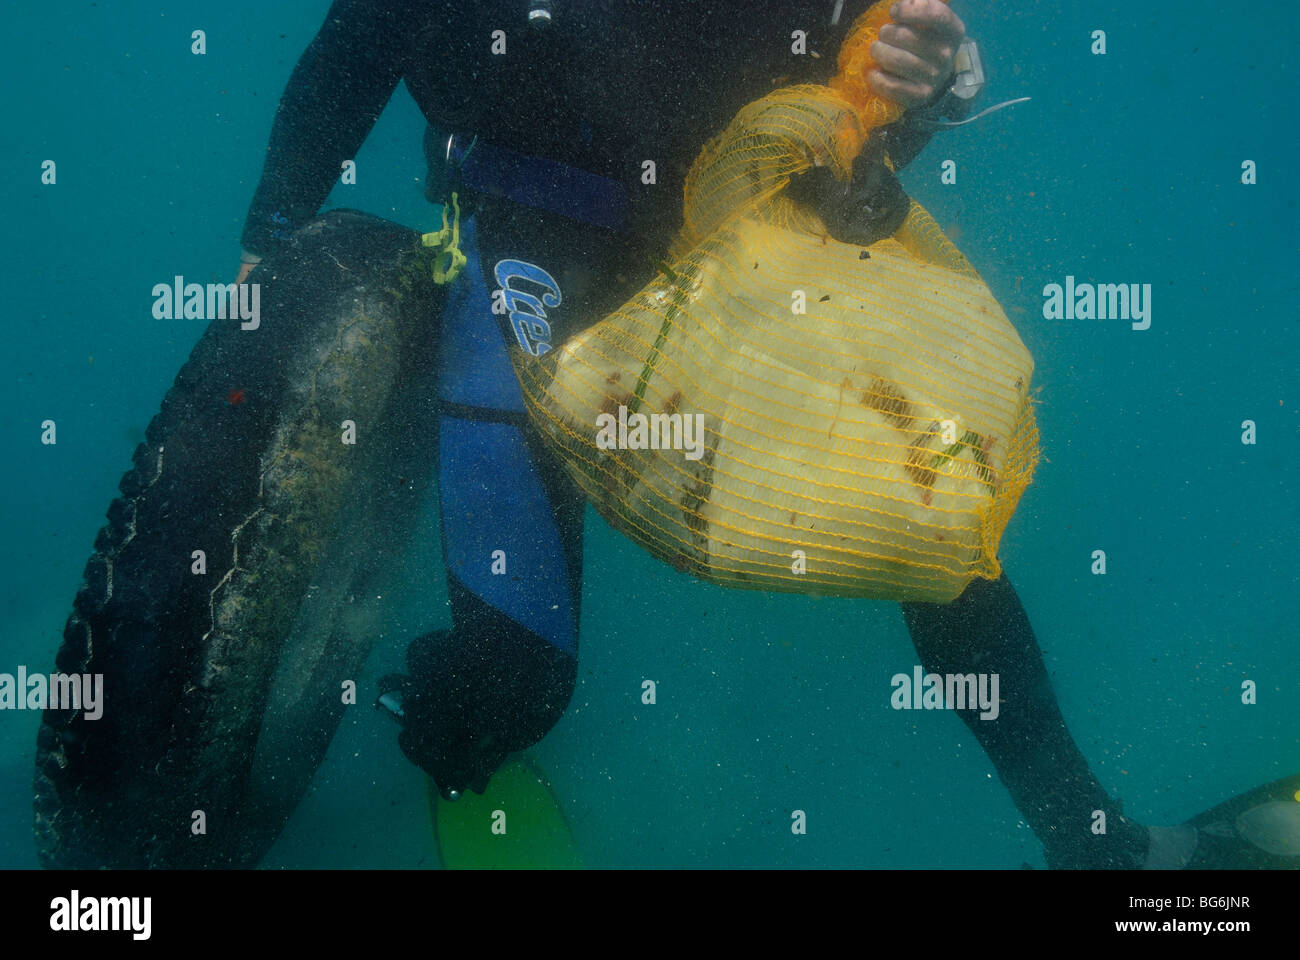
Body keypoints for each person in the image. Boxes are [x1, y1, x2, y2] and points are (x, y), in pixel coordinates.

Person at [235, 0, 1298, 869]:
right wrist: (269, 248)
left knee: (939, 538)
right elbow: (351, 51)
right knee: (511, 687)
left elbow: (877, 73)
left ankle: (1096, 846)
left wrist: (919, 80)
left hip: (750, 244)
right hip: (529, 245)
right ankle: (438, 726)